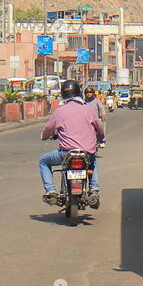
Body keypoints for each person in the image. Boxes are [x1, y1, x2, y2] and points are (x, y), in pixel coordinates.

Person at [39, 80, 105, 208]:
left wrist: (44, 136)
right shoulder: (89, 110)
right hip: (86, 153)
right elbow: (100, 128)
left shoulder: (59, 111)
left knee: (43, 161)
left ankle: (51, 191)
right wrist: (101, 139)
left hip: (66, 153)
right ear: (80, 93)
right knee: (92, 161)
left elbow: (48, 129)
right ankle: (94, 190)